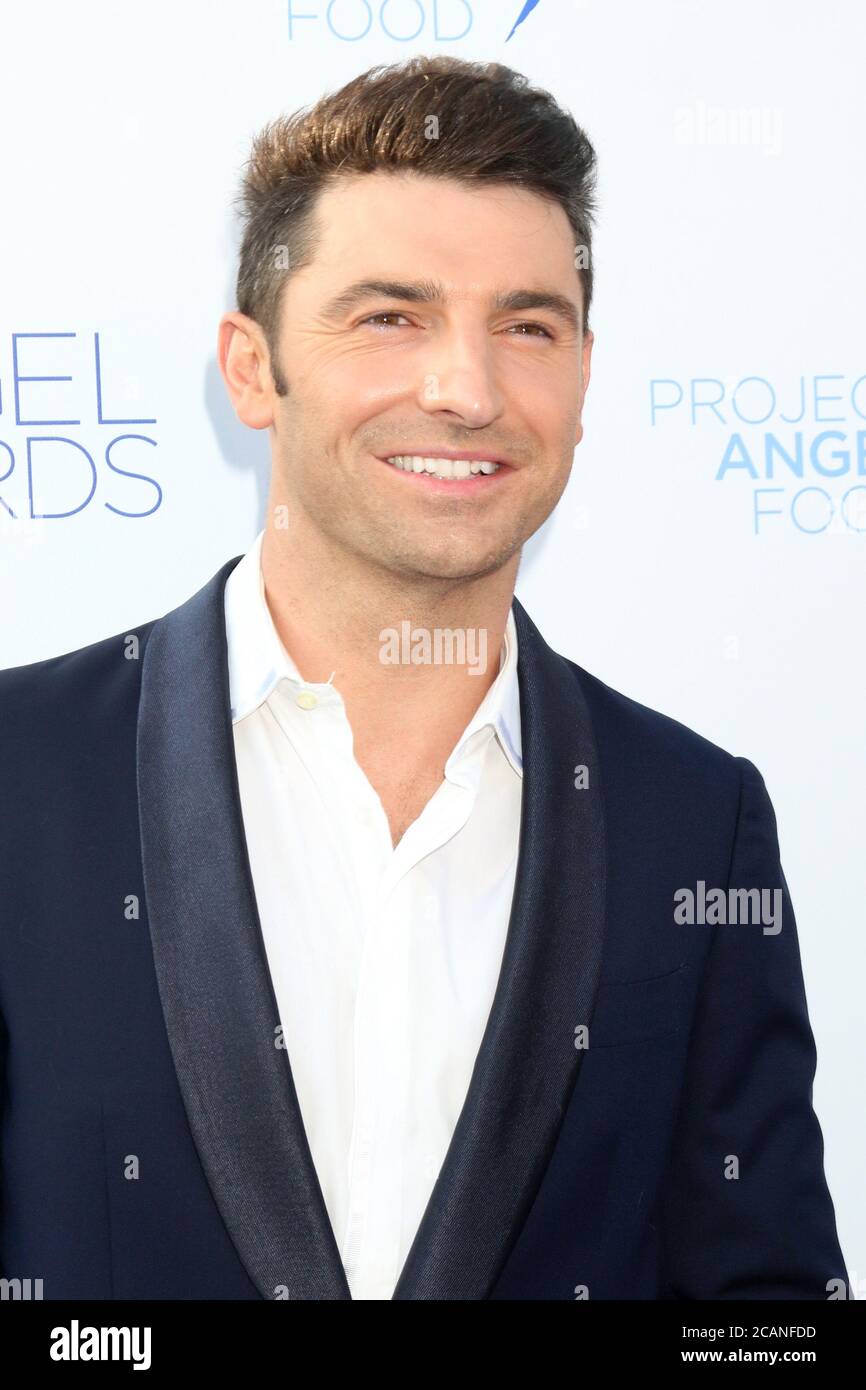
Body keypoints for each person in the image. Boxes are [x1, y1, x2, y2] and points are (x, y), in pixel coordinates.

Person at [0, 55, 849, 1301]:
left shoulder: (695, 824)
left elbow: (760, 1309)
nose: (465, 389)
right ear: (250, 368)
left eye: (525, 325)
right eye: (389, 315)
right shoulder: (21, 779)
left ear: (582, 377)